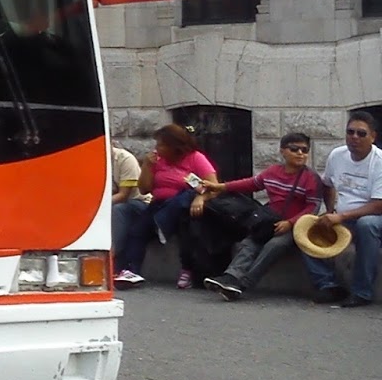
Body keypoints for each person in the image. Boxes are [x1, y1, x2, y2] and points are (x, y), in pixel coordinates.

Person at [197, 132, 323, 300]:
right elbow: (251, 184)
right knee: (250, 243)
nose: (300, 153)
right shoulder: (273, 172)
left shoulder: (311, 178)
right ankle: (230, 277)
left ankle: (243, 284)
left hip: (296, 226)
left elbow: (313, 207)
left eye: (304, 150)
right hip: (270, 220)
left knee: (275, 246)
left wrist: (291, 223)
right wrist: (220, 187)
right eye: (294, 149)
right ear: (283, 151)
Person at [115, 123, 217, 289]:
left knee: (182, 198)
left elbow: (214, 187)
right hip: (158, 204)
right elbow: (144, 189)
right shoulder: (158, 161)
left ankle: (160, 225)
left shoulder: (195, 158)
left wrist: (201, 199)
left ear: (173, 146)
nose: (157, 149)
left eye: (161, 145)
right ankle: (131, 270)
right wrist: (147, 166)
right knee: (136, 231)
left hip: (184, 205)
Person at [304, 111, 382, 308]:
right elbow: (327, 184)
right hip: (344, 218)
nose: (354, 137)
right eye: (350, 132)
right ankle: (328, 285)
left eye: (361, 133)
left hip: (374, 217)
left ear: (373, 136)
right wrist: (330, 211)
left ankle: (362, 293)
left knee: (366, 225)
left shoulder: (379, 162)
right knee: (305, 226)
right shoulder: (337, 155)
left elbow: (378, 205)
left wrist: (341, 216)